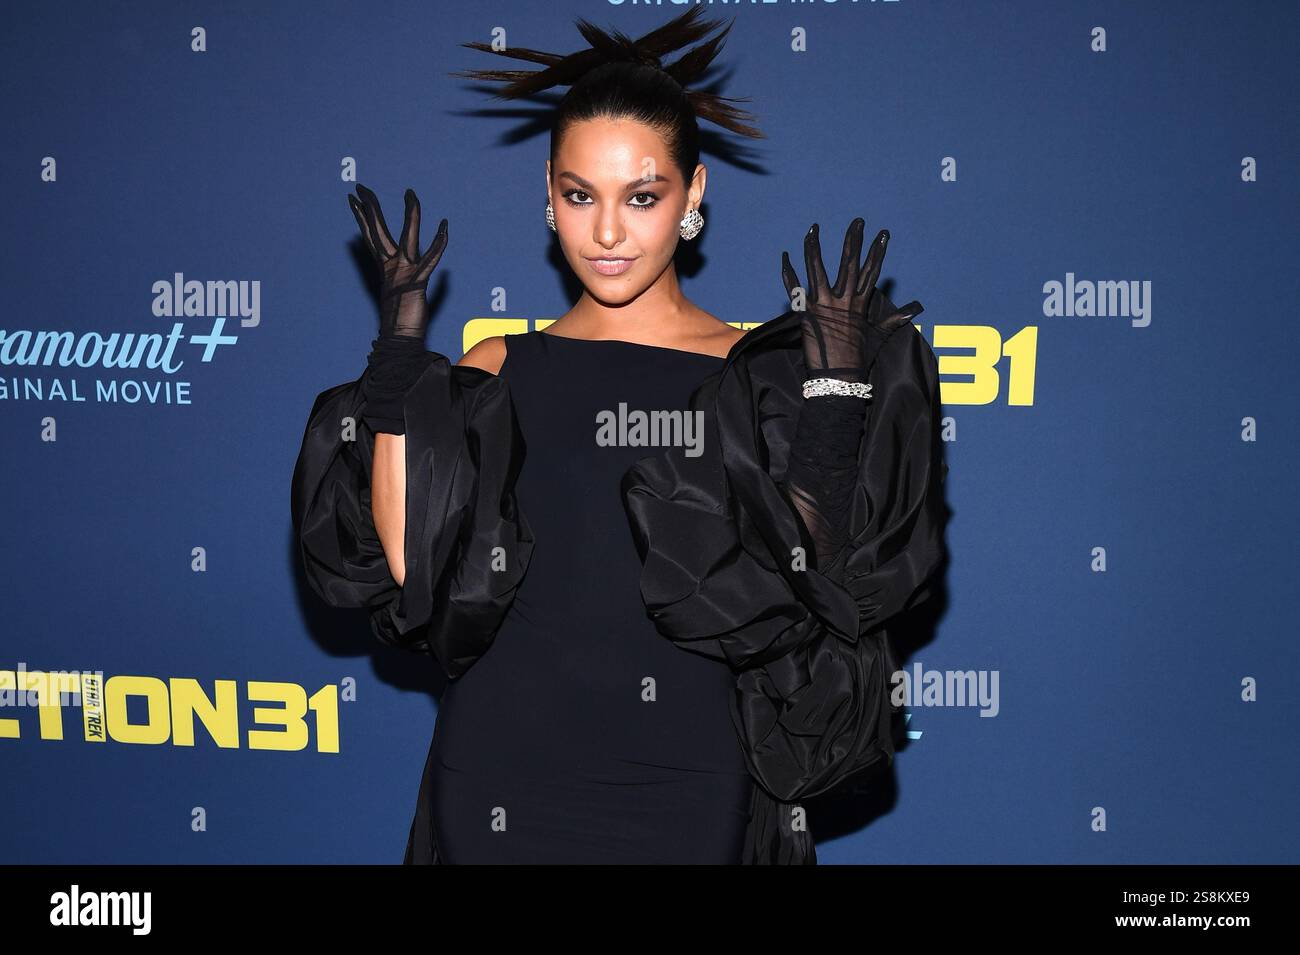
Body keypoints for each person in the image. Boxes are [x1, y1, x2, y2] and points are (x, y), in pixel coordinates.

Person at [291, 7, 947, 864]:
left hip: (692, 778)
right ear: (549, 195)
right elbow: (414, 572)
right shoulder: (498, 366)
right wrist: (396, 370)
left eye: (642, 197)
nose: (606, 232)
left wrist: (829, 409)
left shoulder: (749, 375)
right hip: (501, 773)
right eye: (579, 196)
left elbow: (811, 600)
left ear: (693, 195)